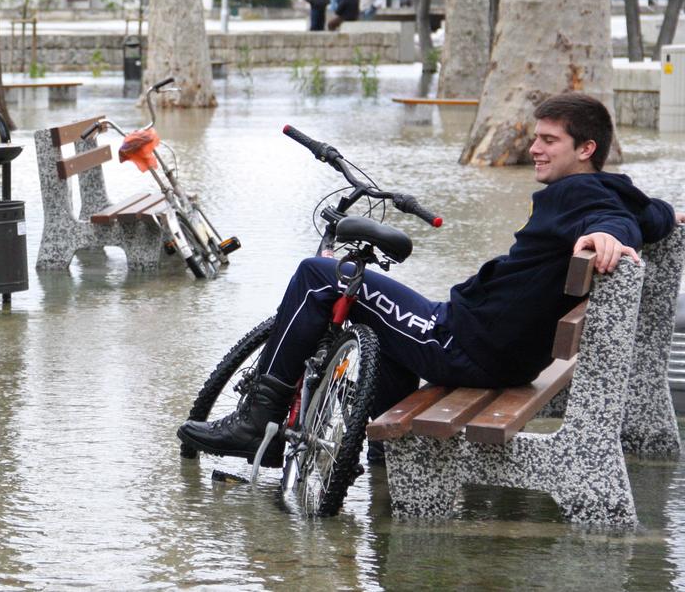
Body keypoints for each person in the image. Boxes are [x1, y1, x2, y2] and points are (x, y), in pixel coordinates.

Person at [177, 92, 683, 465]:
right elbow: (646, 212)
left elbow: (608, 219)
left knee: (319, 276)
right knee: (378, 327)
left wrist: (607, 237)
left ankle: (255, 421)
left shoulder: (580, 197)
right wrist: (656, 220)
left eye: (550, 140)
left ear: (586, 149)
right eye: (537, 137)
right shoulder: (612, 191)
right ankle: (378, 458)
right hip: (502, 349)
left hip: (467, 345)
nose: (535, 149)